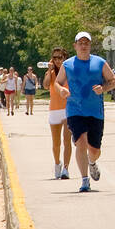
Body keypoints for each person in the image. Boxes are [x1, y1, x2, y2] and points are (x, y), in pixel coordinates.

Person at [55, 32, 115, 192]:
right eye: (80, 43)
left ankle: (92, 162)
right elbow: (57, 82)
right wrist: (61, 90)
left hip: (95, 111)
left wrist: (103, 88)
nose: (83, 45)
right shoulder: (67, 65)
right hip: (75, 110)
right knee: (81, 142)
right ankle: (84, 180)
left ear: (90, 45)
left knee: (95, 150)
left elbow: (113, 81)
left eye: (86, 43)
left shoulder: (100, 63)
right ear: (75, 45)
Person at [43, 48, 72, 179]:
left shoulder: (70, 72)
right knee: (56, 143)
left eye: (60, 57)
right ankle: (57, 163)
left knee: (67, 140)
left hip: (67, 109)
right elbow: (44, 85)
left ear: (65, 58)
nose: (57, 60)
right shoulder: (52, 72)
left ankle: (66, 168)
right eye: (55, 58)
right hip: (54, 109)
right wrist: (49, 70)